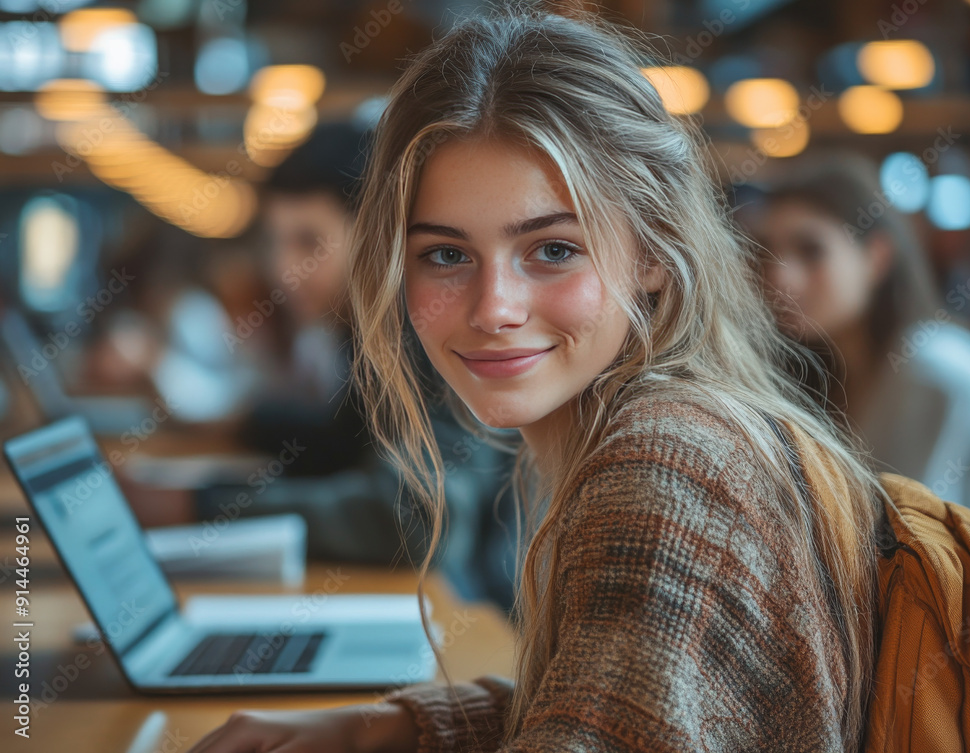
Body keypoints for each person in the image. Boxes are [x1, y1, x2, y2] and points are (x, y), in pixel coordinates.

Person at [185, 7, 889, 752]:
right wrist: (382, 726)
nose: (494, 310)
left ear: (652, 249)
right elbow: (607, 705)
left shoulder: (668, 463)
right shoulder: (653, 427)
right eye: (446, 256)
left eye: (552, 250)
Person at [124, 121, 521, 611]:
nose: (283, 270)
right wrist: (239, 434)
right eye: (275, 243)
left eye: (309, 242)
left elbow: (411, 525)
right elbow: (346, 443)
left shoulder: (428, 330)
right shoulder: (367, 333)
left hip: (484, 625)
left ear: (378, 234)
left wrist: (199, 506)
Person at [737, 155, 970, 512]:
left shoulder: (933, 370)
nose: (779, 277)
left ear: (876, 257)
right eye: (767, 253)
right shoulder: (828, 373)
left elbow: (910, 541)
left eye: (811, 250)